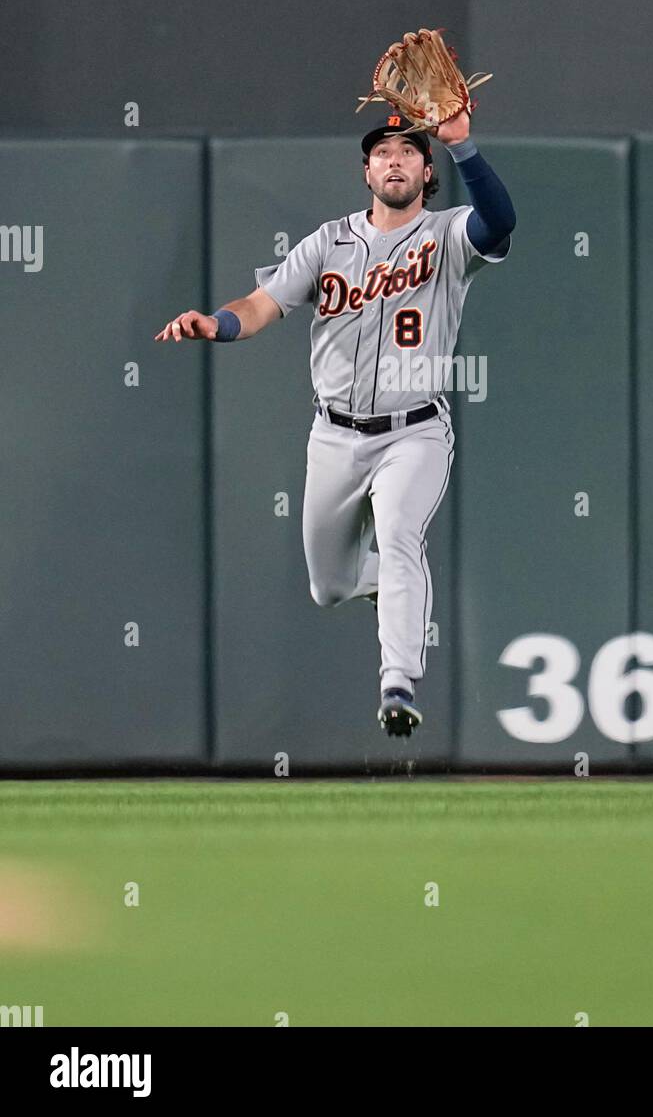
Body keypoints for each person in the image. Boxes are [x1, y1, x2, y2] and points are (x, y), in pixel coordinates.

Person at [155, 109, 516, 736]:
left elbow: (500, 223)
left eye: (408, 150)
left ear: (428, 170)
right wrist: (220, 322)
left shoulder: (449, 235)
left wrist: (464, 147)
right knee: (328, 585)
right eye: (382, 152)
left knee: (402, 538)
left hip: (416, 429)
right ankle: (396, 589)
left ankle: (397, 684)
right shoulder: (329, 241)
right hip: (335, 434)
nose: (395, 159)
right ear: (367, 169)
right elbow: (264, 303)